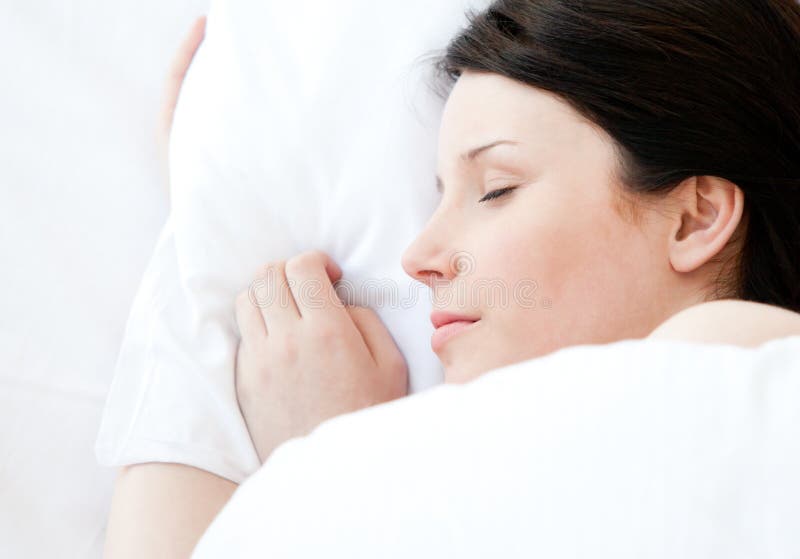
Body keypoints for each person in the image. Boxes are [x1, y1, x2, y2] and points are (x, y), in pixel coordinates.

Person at [103, 2, 800, 556]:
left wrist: (333, 453)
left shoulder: (736, 358)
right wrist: (207, 236)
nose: (419, 256)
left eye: (496, 188)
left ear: (694, 218)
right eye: (438, 194)